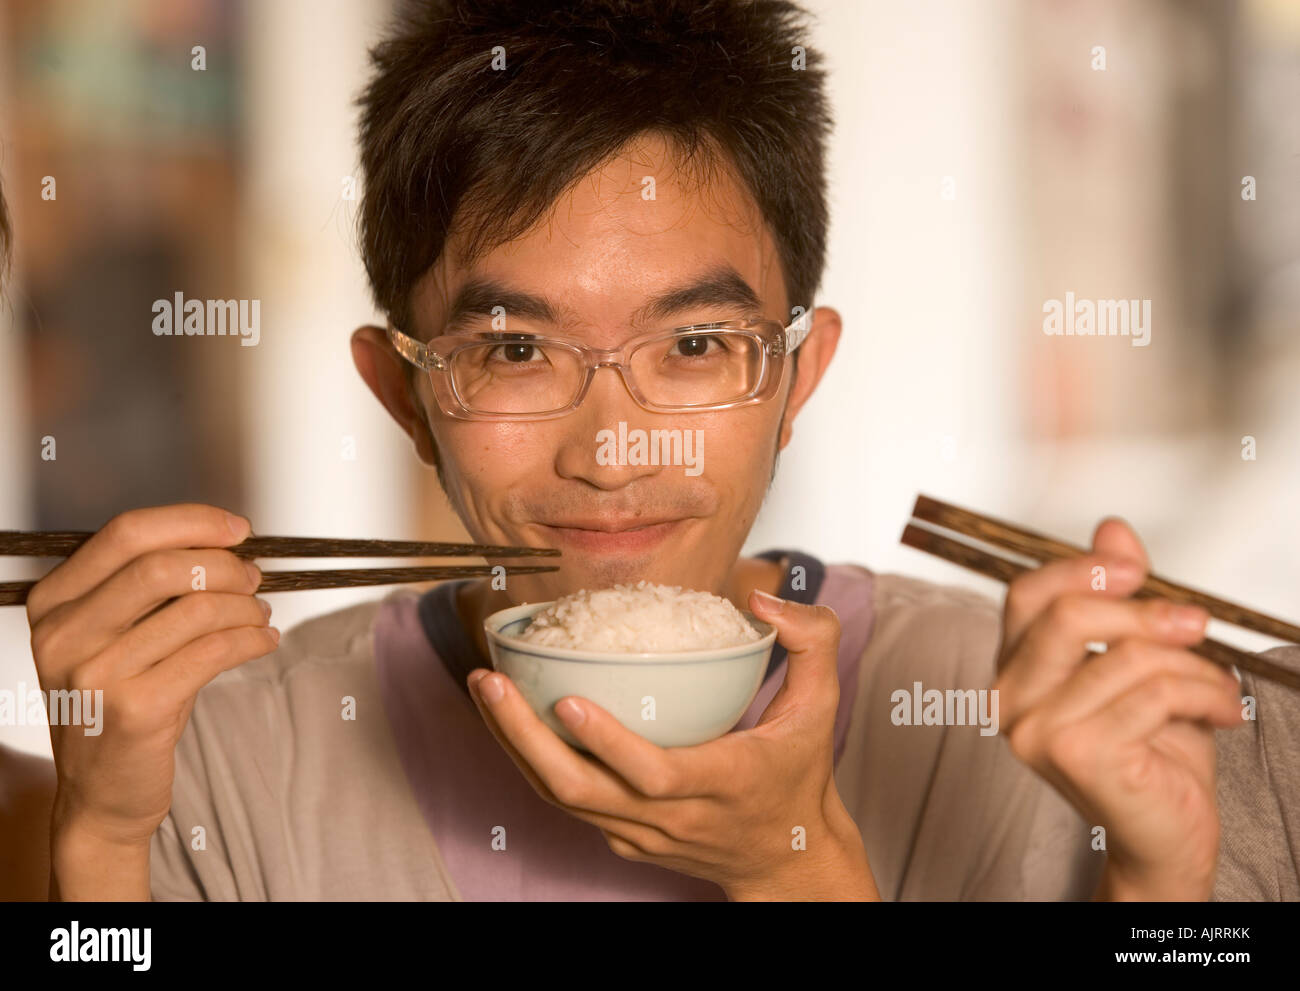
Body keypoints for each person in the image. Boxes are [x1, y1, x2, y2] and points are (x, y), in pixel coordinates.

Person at [8, 0, 1299, 902]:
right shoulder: (232, 748)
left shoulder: (1020, 723)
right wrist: (107, 835)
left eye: (694, 348)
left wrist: (795, 869)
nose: (614, 449)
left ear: (798, 376)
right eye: (516, 352)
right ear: (401, 394)